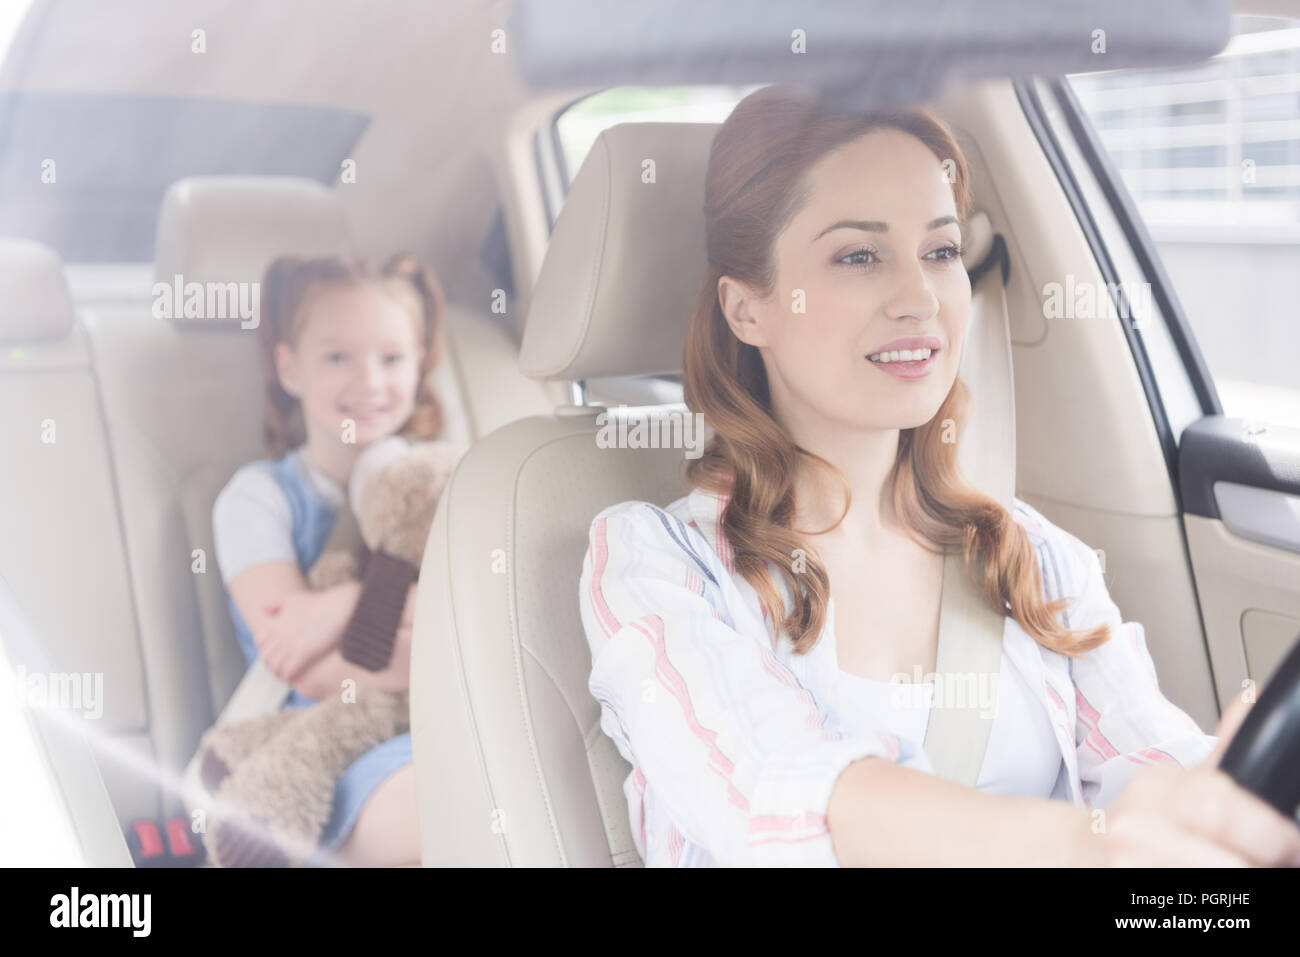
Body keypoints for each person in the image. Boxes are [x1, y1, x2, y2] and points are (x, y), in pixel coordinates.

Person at [578, 85, 1300, 867]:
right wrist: (1087, 847)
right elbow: (773, 797)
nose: (920, 297)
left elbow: (1150, 763)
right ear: (747, 308)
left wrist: (1224, 811)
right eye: (860, 255)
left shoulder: (1028, 551)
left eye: (942, 250)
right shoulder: (656, 564)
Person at [211, 253, 447, 866]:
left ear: (420, 364)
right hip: (327, 743)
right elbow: (313, 670)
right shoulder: (260, 498)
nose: (369, 381)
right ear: (289, 367)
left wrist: (340, 605)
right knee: (457, 811)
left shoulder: (443, 481)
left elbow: (482, 621)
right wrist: (437, 641)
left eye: (392, 359)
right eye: (338, 357)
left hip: (444, 717)